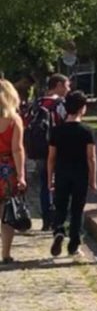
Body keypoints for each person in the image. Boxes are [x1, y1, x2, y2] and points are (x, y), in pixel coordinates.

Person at [47, 91, 96, 258]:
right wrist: (93, 179)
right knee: (77, 209)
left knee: (60, 205)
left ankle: (59, 230)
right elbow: (91, 158)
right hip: (80, 174)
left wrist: (49, 179)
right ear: (82, 108)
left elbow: (51, 158)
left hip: (62, 173)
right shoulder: (86, 131)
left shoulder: (56, 131)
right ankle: (74, 244)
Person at [23, 73, 68, 231]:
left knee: (44, 183)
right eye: (67, 85)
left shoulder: (38, 103)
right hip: (57, 148)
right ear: (58, 85)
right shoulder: (60, 104)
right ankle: (58, 219)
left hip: (40, 149)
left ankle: (46, 219)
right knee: (59, 183)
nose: (68, 89)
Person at [0, 79, 27, 264]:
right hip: (7, 168)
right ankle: (6, 253)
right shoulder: (14, 120)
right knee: (7, 212)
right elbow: (17, 149)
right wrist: (21, 175)